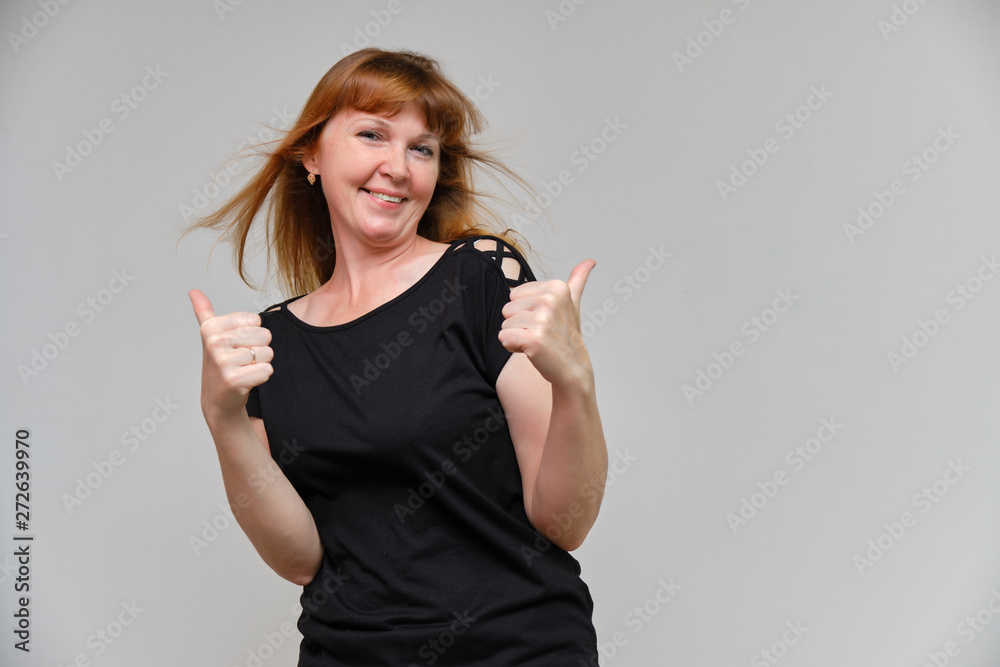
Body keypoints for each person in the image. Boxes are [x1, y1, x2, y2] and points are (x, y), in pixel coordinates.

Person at [184, 48, 608, 666]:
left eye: (422, 148)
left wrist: (576, 385)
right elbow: (299, 560)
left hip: (518, 651)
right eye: (371, 134)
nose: (398, 167)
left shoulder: (482, 275)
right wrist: (222, 419)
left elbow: (564, 523)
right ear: (311, 155)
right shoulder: (273, 341)